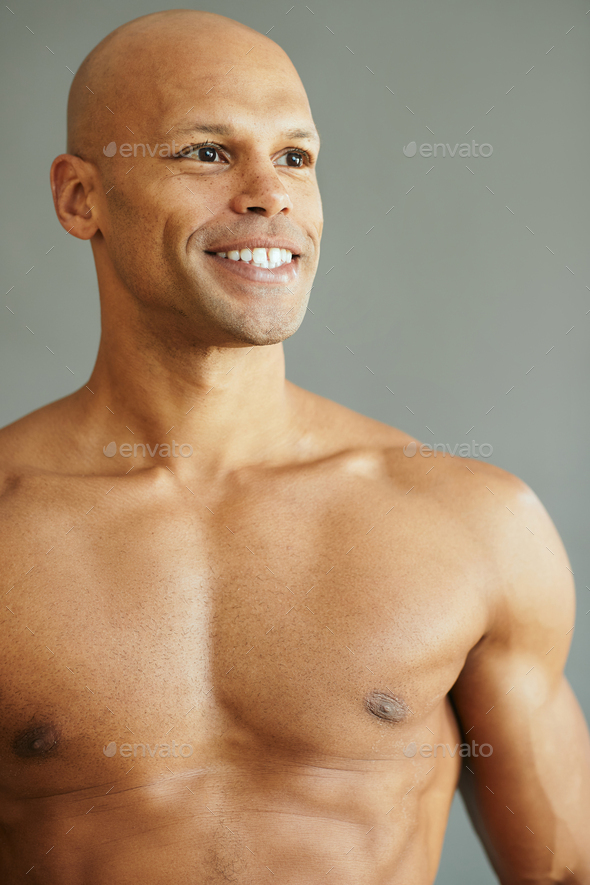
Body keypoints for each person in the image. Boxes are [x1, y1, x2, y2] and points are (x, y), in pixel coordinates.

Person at [1, 9, 589, 884]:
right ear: (81, 197)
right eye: (206, 152)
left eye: (295, 157)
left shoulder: (474, 522)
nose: (268, 194)